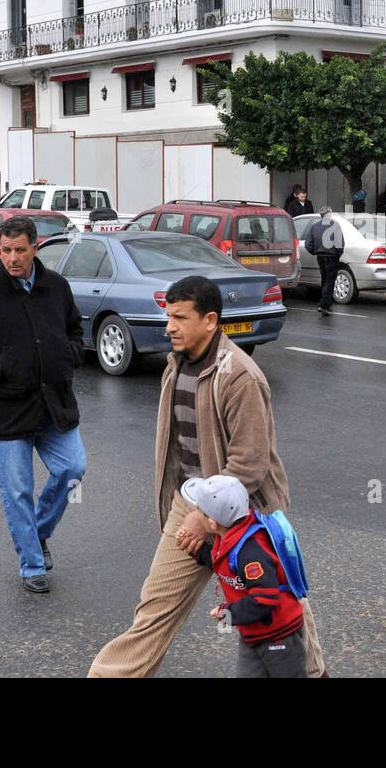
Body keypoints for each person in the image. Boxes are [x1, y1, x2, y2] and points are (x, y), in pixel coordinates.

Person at [89, 277, 324, 677]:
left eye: (180, 318)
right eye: (169, 316)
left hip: (246, 516)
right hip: (192, 506)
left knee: (284, 607)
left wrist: (204, 516)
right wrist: (185, 508)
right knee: (155, 608)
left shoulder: (240, 376)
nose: (170, 326)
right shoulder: (175, 365)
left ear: (210, 320)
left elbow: (249, 463)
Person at [0, 216, 88, 594]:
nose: (12, 258)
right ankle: (31, 564)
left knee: (73, 468)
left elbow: (75, 331)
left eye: (20, 250)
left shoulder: (56, 287)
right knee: (18, 491)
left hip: (54, 403)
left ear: (35, 248)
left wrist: (68, 355)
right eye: (6, 250)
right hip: (8, 410)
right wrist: (2, 367)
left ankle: (36, 534)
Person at [183, 475, 307, 678]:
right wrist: (195, 550)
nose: (196, 514)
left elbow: (265, 599)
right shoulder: (228, 537)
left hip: (279, 636)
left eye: (200, 511)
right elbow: (222, 564)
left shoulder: (250, 551)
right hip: (252, 634)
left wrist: (228, 613)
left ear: (212, 523)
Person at [305, 208, 345, 316]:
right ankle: (324, 305)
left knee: (324, 279)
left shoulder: (314, 226)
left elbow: (308, 244)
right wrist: (338, 254)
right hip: (332, 257)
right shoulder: (335, 225)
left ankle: (323, 303)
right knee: (329, 281)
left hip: (320, 257)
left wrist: (315, 251)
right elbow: (340, 244)